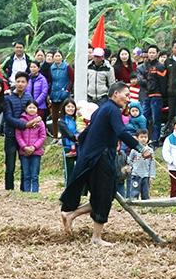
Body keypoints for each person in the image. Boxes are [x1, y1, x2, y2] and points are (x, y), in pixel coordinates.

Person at [60, 82, 153, 245]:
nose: (128, 99)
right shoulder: (112, 110)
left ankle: (71, 215)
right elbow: (121, 132)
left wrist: (79, 142)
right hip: (100, 157)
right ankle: (96, 237)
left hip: (92, 156)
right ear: (115, 94)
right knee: (104, 196)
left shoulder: (102, 109)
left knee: (106, 195)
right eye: (126, 94)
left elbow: (88, 131)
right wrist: (140, 148)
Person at [4, 72, 38, 191]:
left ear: (27, 83)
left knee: (25, 164)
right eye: (18, 81)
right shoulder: (8, 97)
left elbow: (32, 112)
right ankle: (9, 189)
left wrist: (36, 121)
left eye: (23, 82)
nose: (20, 84)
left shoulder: (29, 97)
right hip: (11, 134)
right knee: (10, 165)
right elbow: (8, 118)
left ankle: (24, 189)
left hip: (25, 136)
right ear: (15, 82)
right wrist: (25, 124)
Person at [137, 45, 167, 146]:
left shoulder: (160, 66)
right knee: (144, 117)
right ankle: (143, 138)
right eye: (150, 52)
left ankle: (155, 140)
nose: (151, 54)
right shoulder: (145, 66)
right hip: (146, 95)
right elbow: (141, 80)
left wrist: (163, 95)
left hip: (157, 95)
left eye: (153, 52)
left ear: (157, 54)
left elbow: (163, 83)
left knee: (156, 119)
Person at [14, 100, 46, 193]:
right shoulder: (21, 121)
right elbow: (18, 135)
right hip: (24, 152)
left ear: (37, 109)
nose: (32, 109)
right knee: (26, 174)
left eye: (34, 108)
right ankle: (26, 193)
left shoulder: (40, 122)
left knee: (35, 175)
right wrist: (24, 147)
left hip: (36, 152)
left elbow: (42, 136)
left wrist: (34, 147)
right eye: (30, 107)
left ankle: (35, 193)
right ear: (26, 108)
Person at [49, 51, 73, 139]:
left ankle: (65, 136)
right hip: (54, 94)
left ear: (62, 57)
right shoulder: (51, 68)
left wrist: (67, 90)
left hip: (64, 95)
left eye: (59, 56)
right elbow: (50, 81)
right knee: (54, 117)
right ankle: (55, 137)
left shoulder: (67, 67)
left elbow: (71, 79)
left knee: (63, 117)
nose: (57, 58)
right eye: (55, 56)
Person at [128, 129, 156, 200]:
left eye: (145, 137)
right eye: (141, 137)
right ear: (137, 138)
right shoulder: (134, 150)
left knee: (145, 192)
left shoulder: (150, 151)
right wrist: (132, 167)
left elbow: (152, 164)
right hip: (136, 175)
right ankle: (134, 204)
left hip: (146, 175)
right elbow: (129, 160)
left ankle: (145, 206)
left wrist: (152, 175)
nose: (143, 139)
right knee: (134, 192)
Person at [58, 99, 79, 184]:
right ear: (64, 108)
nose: (70, 108)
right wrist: (79, 137)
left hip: (79, 147)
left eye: (72, 106)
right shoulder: (62, 121)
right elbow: (69, 134)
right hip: (67, 148)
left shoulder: (77, 119)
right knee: (69, 172)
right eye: (68, 106)